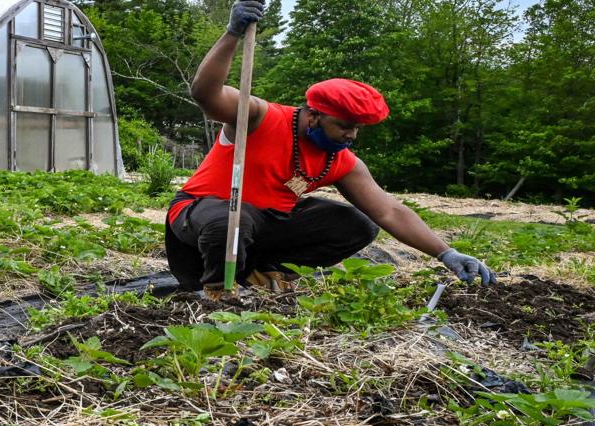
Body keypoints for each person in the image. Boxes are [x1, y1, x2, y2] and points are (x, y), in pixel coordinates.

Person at [166, 1, 495, 292]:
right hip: (206, 214)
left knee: (357, 225)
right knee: (232, 222)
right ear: (313, 114)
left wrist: (446, 252)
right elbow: (205, 94)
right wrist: (231, 34)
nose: (350, 135)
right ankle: (217, 291)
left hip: (264, 227)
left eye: (356, 128)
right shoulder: (259, 117)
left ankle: (264, 274)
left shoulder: (341, 162)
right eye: (343, 126)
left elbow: (389, 211)